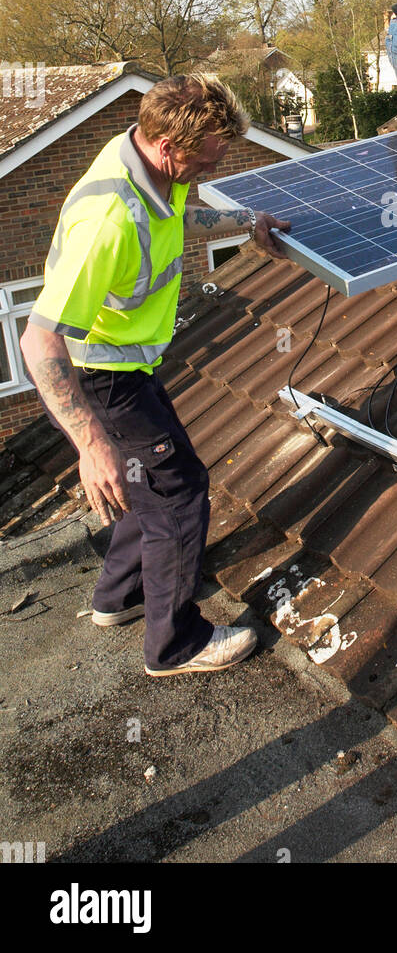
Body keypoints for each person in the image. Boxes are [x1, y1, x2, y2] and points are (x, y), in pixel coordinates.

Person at [20, 74, 293, 678]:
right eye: (202, 163)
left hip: (126, 371)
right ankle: (176, 644)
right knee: (178, 492)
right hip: (102, 381)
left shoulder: (145, 164)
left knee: (146, 485)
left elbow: (176, 222)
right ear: (169, 147)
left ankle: (120, 598)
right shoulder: (108, 220)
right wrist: (90, 445)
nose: (205, 174)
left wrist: (246, 222)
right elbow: (38, 341)